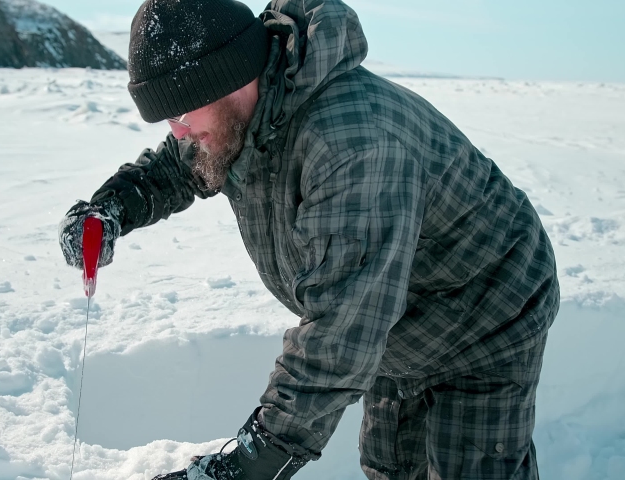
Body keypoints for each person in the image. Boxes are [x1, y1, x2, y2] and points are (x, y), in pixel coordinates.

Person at [58, 0, 559, 478]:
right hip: (398, 317)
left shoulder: (352, 145)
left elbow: (342, 329)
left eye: (184, 113)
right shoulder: (236, 120)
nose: (180, 132)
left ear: (230, 79)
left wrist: (250, 466)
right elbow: (176, 167)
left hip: (487, 312)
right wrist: (110, 210)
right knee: (392, 467)